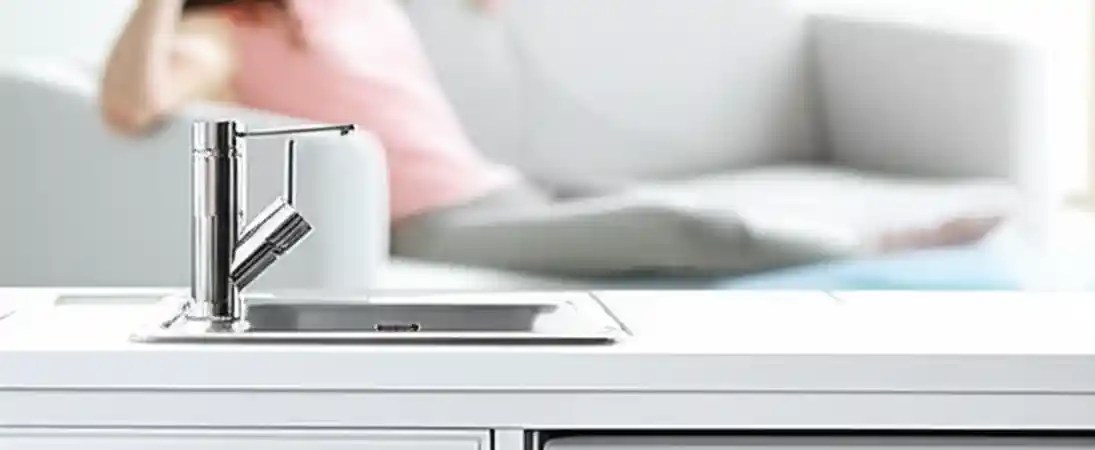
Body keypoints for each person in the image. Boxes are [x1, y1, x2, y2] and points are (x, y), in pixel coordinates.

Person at [101, 0, 991, 279]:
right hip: (433, 226)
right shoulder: (221, 33)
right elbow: (131, 102)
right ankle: (881, 247)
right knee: (687, 230)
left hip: (506, 181)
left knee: (677, 203)